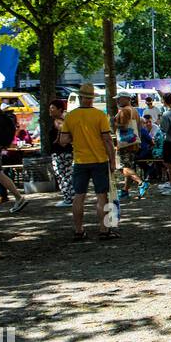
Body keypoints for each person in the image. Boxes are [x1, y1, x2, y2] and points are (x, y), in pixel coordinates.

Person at [62, 83, 117, 240]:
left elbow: (63, 139)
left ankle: (79, 230)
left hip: (79, 160)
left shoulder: (70, 116)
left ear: (80, 97)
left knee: (79, 196)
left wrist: (76, 137)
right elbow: (107, 140)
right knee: (102, 196)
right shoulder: (100, 115)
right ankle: (104, 230)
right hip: (99, 160)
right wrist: (113, 160)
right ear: (92, 99)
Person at [115, 92, 149, 199]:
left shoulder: (124, 111)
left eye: (119, 99)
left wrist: (113, 123)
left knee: (122, 167)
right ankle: (125, 190)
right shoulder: (134, 110)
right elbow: (139, 127)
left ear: (126, 99)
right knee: (129, 167)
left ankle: (141, 182)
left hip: (125, 144)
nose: (117, 101)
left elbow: (124, 127)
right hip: (134, 142)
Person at [47, 99, 76, 207]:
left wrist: (60, 139)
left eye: (53, 108)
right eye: (50, 108)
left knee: (62, 175)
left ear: (60, 109)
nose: (50, 110)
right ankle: (70, 197)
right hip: (64, 152)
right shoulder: (63, 120)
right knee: (66, 175)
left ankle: (68, 198)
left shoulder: (59, 121)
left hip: (61, 152)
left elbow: (66, 131)